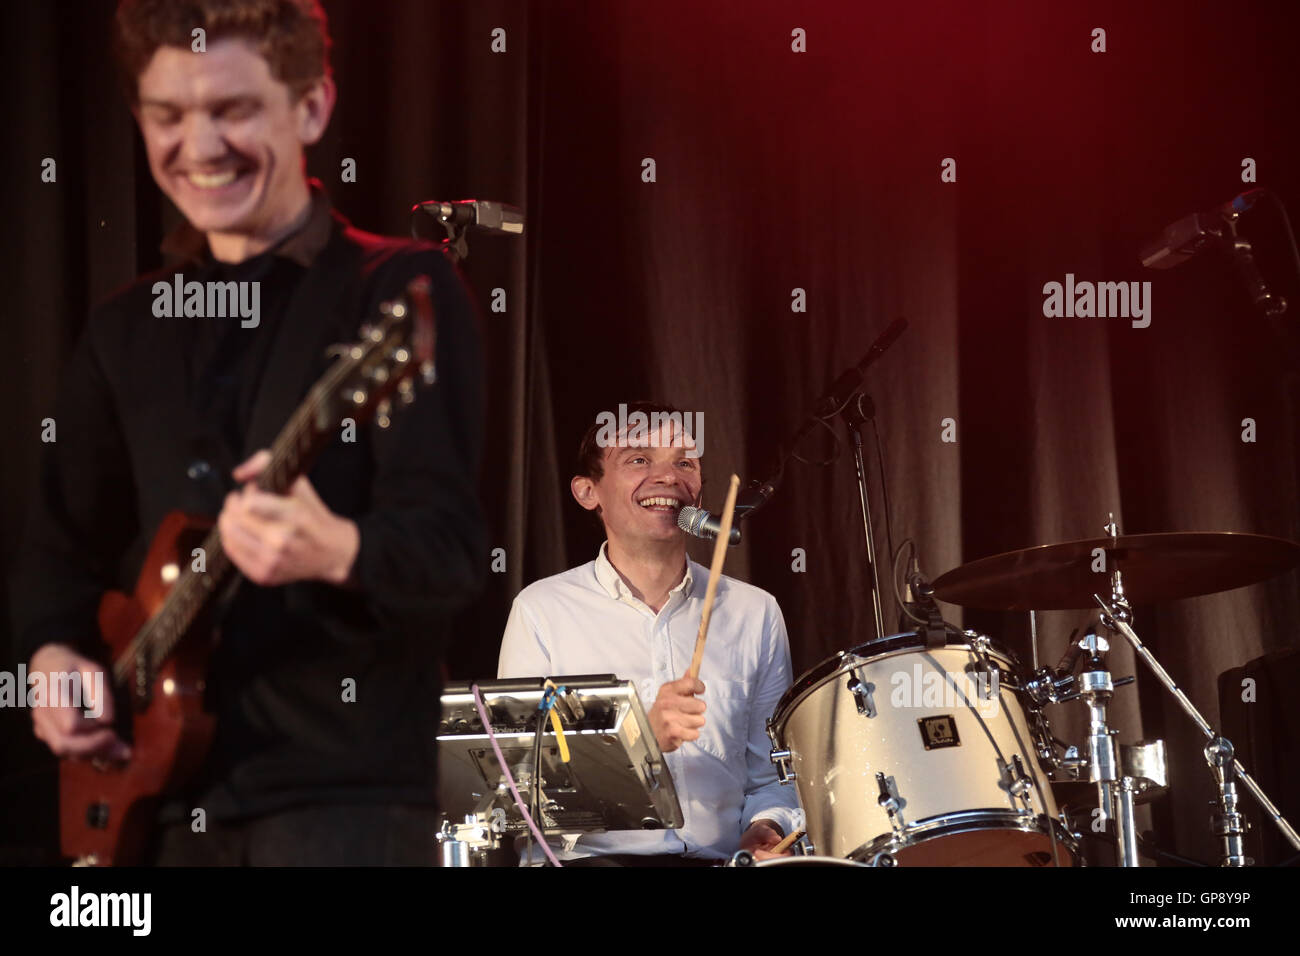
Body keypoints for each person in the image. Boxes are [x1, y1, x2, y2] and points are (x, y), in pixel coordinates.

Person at [13, 0, 486, 865]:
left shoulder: (396, 291)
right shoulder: (124, 328)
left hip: (341, 805)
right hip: (148, 811)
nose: (199, 146)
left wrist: (340, 548)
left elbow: (453, 551)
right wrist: (50, 653)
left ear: (311, 106)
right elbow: (57, 548)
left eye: (232, 110)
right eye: (169, 115)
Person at [498, 402, 800, 865]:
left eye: (684, 462)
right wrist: (638, 742)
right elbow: (517, 787)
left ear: (698, 494)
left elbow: (772, 778)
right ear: (587, 492)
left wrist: (764, 829)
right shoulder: (541, 611)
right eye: (639, 460)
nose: (668, 477)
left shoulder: (755, 612)